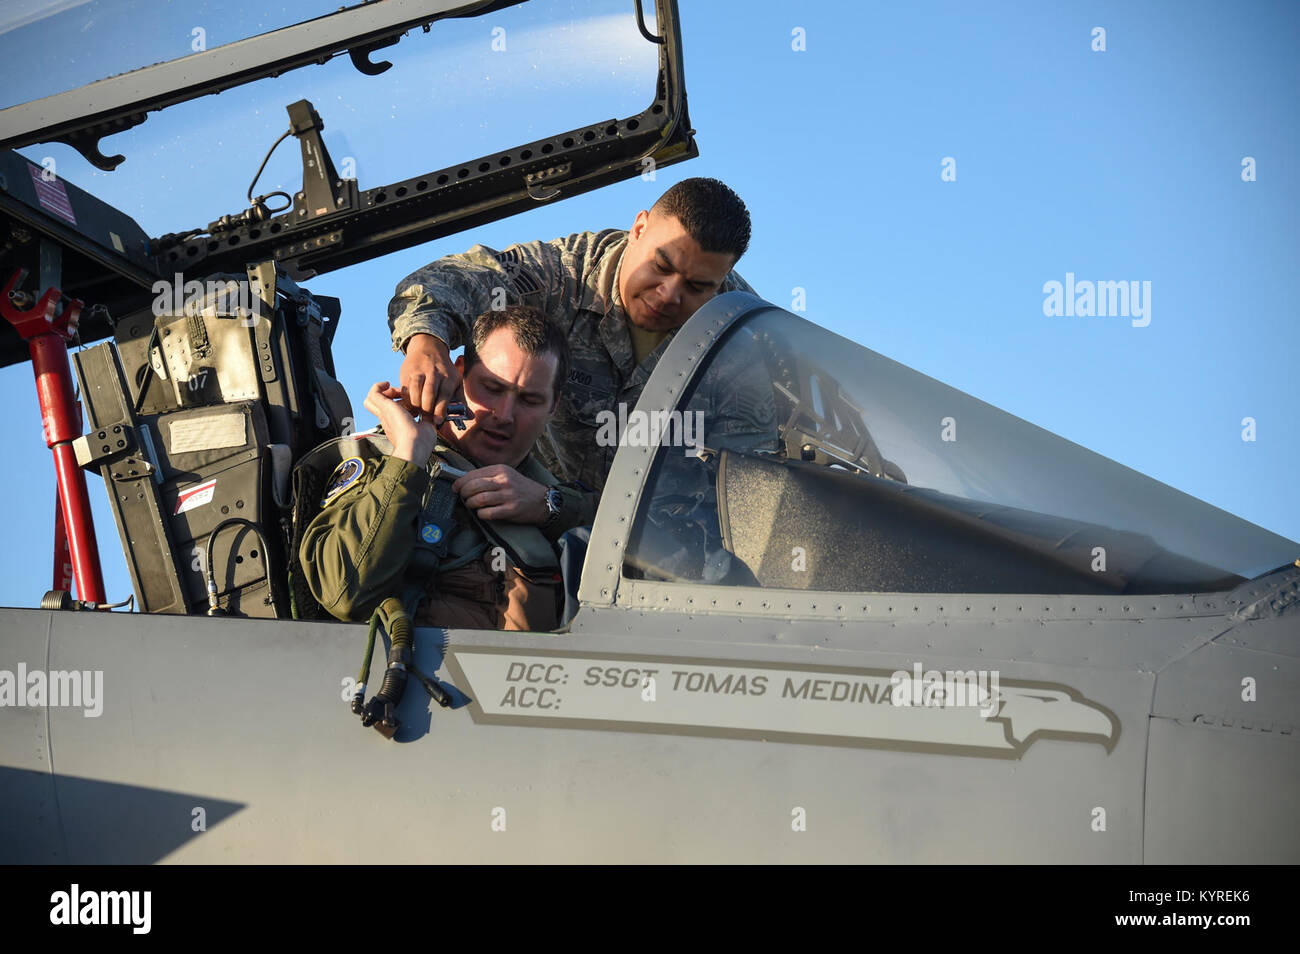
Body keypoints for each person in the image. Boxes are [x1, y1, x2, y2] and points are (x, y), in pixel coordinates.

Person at [387, 177, 778, 529]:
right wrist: (425, 342)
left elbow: (737, 505)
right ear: (638, 227)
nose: (668, 294)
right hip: (522, 525)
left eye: (696, 287)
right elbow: (443, 282)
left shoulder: (745, 341)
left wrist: (557, 506)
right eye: (661, 266)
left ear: (720, 280)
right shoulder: (563, 275)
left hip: (658, 559)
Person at [299, 306, 585, 631]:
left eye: (529, 400)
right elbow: (345, 594)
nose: (505, 415)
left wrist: (550, 506)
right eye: (491, 389)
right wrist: (408, 456)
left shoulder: (556, 498)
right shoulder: (383, 464)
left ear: (554, 405)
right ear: (459, 374)